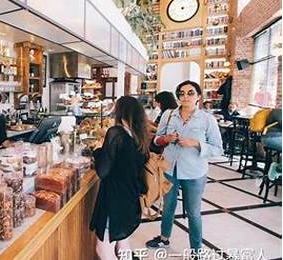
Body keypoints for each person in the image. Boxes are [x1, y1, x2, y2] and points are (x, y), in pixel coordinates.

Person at [145, 80, 223, 255]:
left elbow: (218, 149)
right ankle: (164, 239)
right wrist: (165, 139)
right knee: (168, 206)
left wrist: (195, 143)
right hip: (169, 168)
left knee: (194, 212)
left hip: (195, 173)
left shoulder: (207, 119)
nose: (185, 96)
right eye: (181, 93)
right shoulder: (169, 114)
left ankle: (196, 250)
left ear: (198, 97)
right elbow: (157, 140)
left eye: (190, 93)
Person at [90, 96, 149, 259]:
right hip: (130, 198)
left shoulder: (116, 133)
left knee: (103, 249)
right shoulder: (139, 135)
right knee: (123, 243)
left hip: (115, 201)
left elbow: (103, 170)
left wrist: (97, 150)